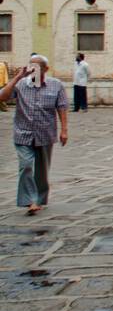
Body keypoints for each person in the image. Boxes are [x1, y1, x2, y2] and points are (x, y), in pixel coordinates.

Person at [0, 53, 68, 215]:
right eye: (31, 65)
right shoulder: (21, 84)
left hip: (45, 133)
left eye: (37, 66)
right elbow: (2, 97)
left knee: (42, 170)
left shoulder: (56, 85)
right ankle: (30, 201)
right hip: (23, 133)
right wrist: (16, 78)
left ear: (46, 69)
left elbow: (62, 107)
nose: (33, 69)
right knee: (26, 166)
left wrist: (64, 130)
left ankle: (39, 199)